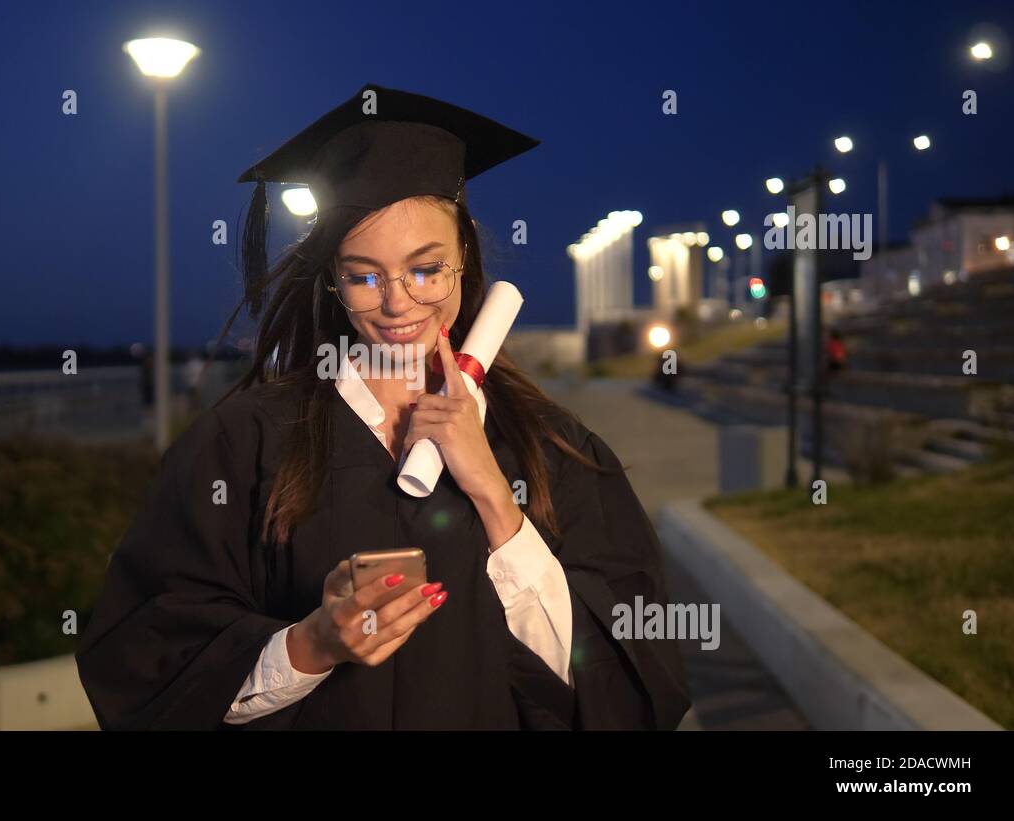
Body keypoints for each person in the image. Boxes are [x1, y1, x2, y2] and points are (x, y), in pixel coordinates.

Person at [76, 84, 690, 730]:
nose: (398, 303)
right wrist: (313, 643)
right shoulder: (247, 443)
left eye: (426, 269)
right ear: (334, 283)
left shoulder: (548, 446)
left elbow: (625, 682)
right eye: (364, 275)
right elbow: (142, 656)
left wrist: (494, 499)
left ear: (464, 262)